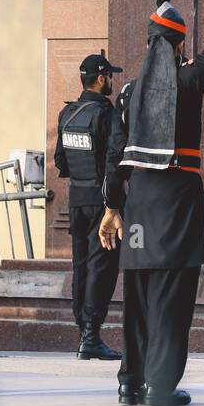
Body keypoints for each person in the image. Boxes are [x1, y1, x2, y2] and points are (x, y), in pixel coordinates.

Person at [99, 0, 204, 406]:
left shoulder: (128, 92)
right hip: (177, 202)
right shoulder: (187, 79)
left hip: (138, 202)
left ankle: (129, 382)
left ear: (147, 44)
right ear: (180, 44)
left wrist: (112, 208)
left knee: (137, 297)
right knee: (173, 299)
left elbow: (114, 156)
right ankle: (160, 386)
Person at [52, 53, 124, 360]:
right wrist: (114, 203)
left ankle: (83, 330)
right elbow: (113, 161)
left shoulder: (67, 113)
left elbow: (60, 161)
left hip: (76, 199)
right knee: (102, 266)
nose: (112, 81)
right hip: (101, 200)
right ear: (100, 78)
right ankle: (92, 335)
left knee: (80, 265)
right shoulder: (106, 114)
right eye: (109, 76)